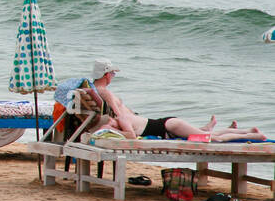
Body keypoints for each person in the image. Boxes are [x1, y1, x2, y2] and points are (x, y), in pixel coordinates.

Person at [89, 59, 265, 141]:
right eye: (112, 73)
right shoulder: (119, 116)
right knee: (207, 136)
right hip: (166, 128)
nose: (113, 76)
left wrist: (112, 130)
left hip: (169, 125)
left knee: (210, 139)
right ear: (106, 74)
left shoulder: (121, 118)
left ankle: (249, 134)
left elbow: (130, 133)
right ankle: (243, 131)